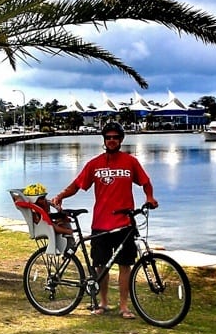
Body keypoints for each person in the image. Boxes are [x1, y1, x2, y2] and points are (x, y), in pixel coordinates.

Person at [50, 122, 158, 320]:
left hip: (124, 223)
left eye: (115, 137)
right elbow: (77, 184)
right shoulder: (95, 163)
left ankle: (124, 307)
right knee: (100, 266)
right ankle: (103, 303)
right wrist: (60, 196)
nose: (111, 140)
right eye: (108, 137)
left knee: (125, 265)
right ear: (104, 140)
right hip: (101, 222)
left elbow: (145, 182)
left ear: (121, 140)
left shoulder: (130, 162)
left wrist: (149, 198)